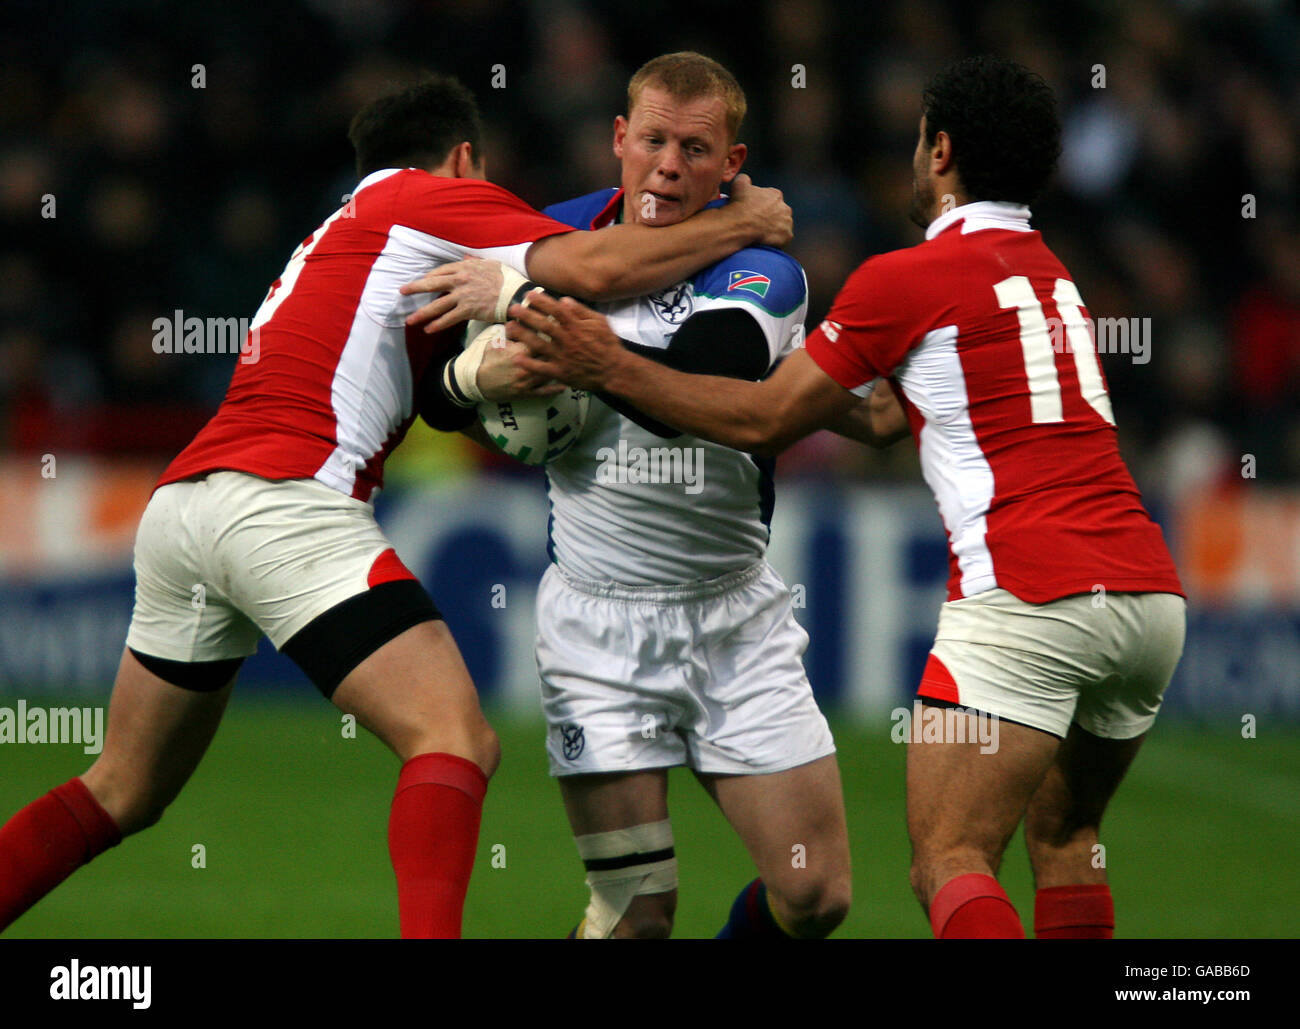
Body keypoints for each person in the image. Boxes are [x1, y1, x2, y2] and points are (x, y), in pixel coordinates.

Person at [0, 73, 792, 939]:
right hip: (287, 500)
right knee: (453, 737)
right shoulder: (428, 202)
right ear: (463, 162)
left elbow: (459, 391)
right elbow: (595, 264)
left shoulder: (342, 232)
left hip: (185, 505)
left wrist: (481, 376)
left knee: (122, 786)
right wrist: (745, 222)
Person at [508, 55, 1186, 940]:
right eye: (654, 141)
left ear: (939, 150)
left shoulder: (904, 279)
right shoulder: (1053, 282)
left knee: (950, 859)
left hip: (1029, 590)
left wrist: (603, 363)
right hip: (1149, 594)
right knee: (1065, 837)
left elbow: (759, 421)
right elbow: (882, 413)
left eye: (915, 141)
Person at [422, 52, 853, 940]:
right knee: (635, 916)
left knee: (816, 896)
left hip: (735, 621)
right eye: (652, 140)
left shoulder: (763, 268)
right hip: (598, 629)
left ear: (731, 165)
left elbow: (707, 382)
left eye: (696, 149)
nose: (669, 164)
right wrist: (476, 380)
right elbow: (434, 393)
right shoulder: (552, 238)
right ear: (619, 140)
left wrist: (569, 341)